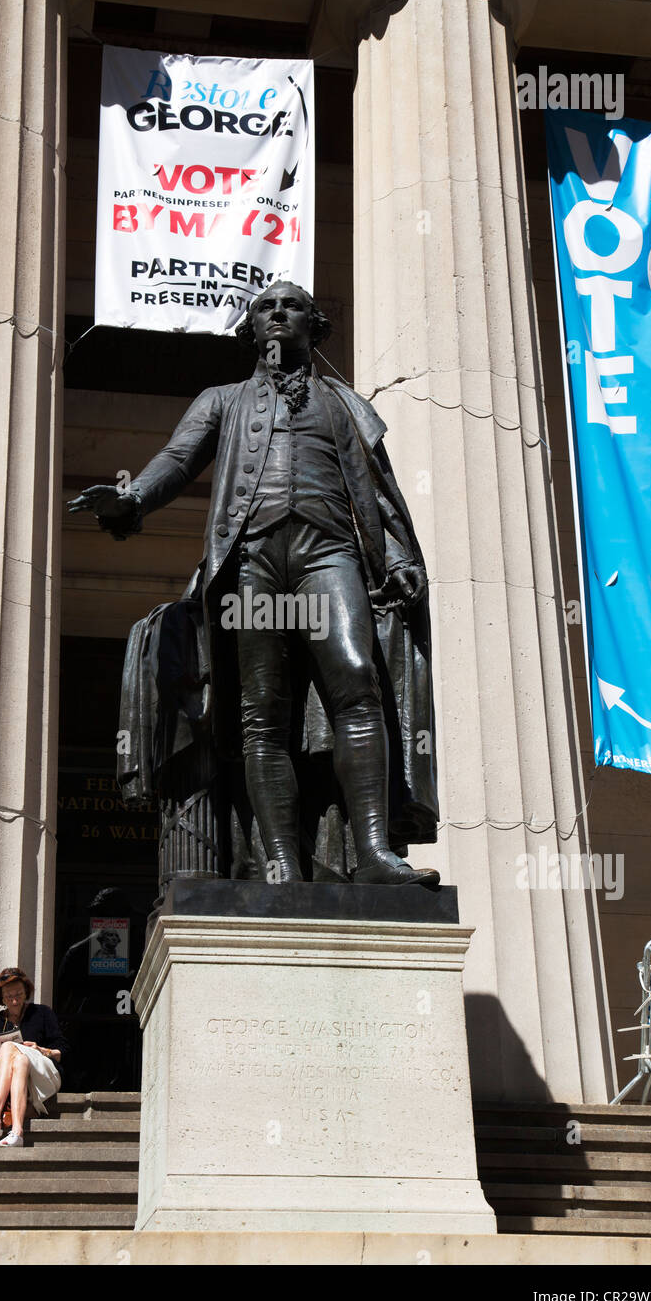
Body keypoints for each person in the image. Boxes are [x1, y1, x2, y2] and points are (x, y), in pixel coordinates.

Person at [68, 282, 439, 886]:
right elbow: (177, 460)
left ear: (313, 324)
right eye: (265, 306)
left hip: (328, 553)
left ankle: (373, 852)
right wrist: (131, 497)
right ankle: (283, 862)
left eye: (291, 305)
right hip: (252, 561)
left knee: (357, 680)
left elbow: (376, 488)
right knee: (262, 712)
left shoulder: (344, 404)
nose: (277, 313)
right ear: (251, 326)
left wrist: (395, 554)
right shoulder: (223, 399)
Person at [0, 966, 69, 1147]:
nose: (14, 1000)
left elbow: (63, 1049)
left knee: (9, 1047)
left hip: (44, 1077)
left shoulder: (42, 1013)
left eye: (18, 994)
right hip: (16, 1080)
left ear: (26, 992)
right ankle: (17, 1132)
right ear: (1, 998)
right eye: (9, 997)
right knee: (19, 1059)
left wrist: (42, 1050)